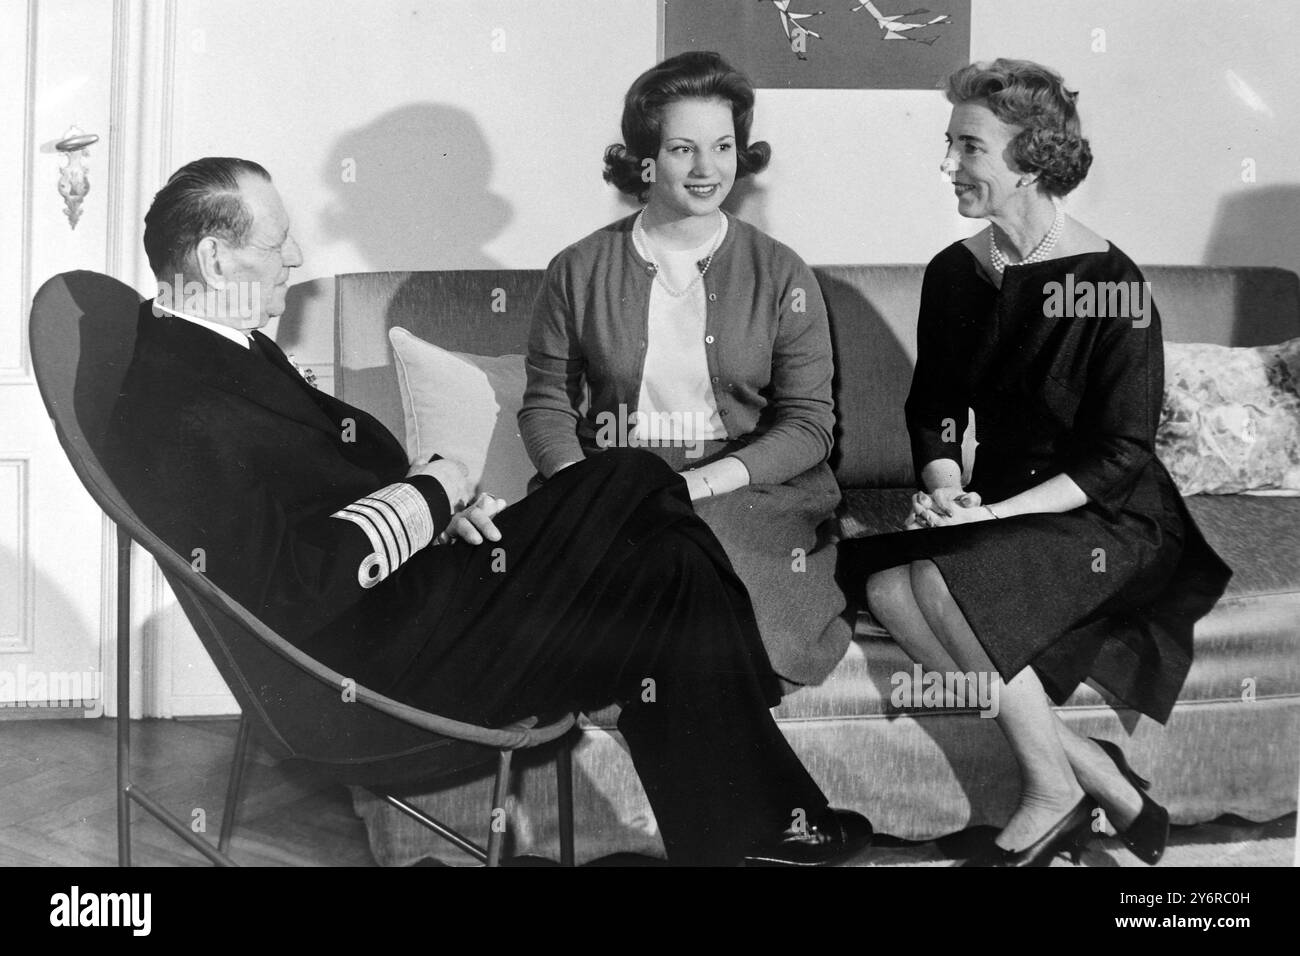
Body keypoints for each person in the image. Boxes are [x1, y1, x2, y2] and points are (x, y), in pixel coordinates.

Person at [102, 157, 871, 867]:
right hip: (377, 669)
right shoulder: (180, 405)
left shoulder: (220, 350)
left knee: (665, 565)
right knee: (629, 475)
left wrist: (434, 516)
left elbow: (321, 504)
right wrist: (435, 491)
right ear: (214, 261)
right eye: (276, 245)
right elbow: (294, 587)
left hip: (414, 606)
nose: (296, 258)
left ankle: (744, 840)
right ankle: (756, 753)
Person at [838, 60, 1232, 866]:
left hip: (1109, 517)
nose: (948, 164)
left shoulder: (1110, 284)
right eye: (950, 144)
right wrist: (948, 487)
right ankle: (1090, 766)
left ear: (1029, 160)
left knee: (939, 580)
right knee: (885, 587)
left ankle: (1051, 793)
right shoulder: (956, 273)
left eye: (969, 147)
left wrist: (994, 514)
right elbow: (934, 407)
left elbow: (1121, 455)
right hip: (1001, 505)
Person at [520, 51, 850, 689]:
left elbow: (810, 424)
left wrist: (696, 486)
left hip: (744, 487)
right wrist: (585, 490)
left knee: (696, 570)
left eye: (723, 146)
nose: (708, 169)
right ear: (644, 160)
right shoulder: (577, 269)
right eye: (682, 149)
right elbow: (547, 403)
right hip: (615, 473)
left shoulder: (782, 272)